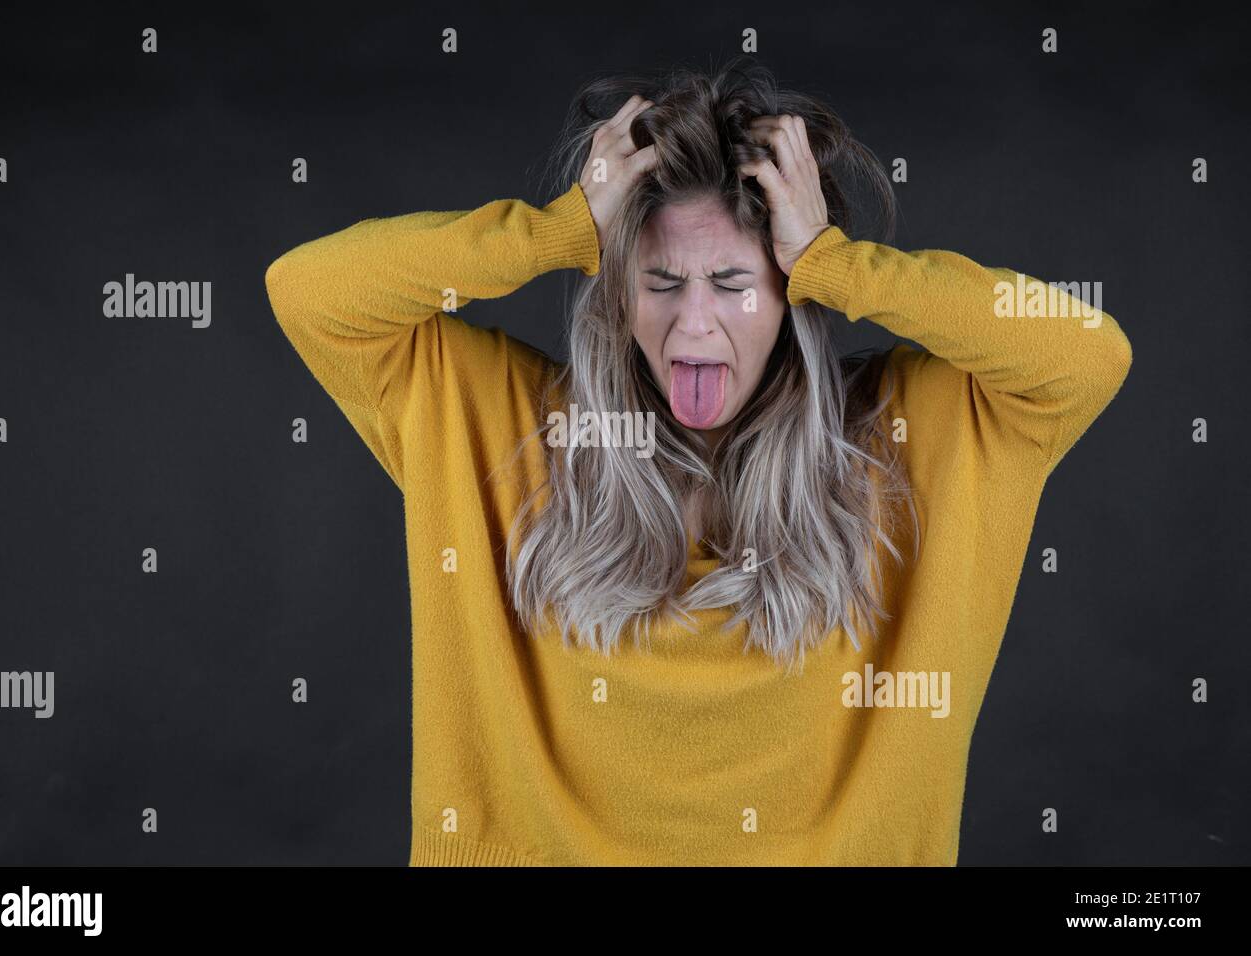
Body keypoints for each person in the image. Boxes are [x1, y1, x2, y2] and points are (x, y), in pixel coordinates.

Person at [263, 58, 1131, 866]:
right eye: (662, 282)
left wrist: (839, 265)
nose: (694, 325)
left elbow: (1086, 356)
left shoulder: (912, 439)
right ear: (619, 289)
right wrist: (558, 231)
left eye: (733, 282)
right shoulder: (505, 428)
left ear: (793, 294)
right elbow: (311, 293)